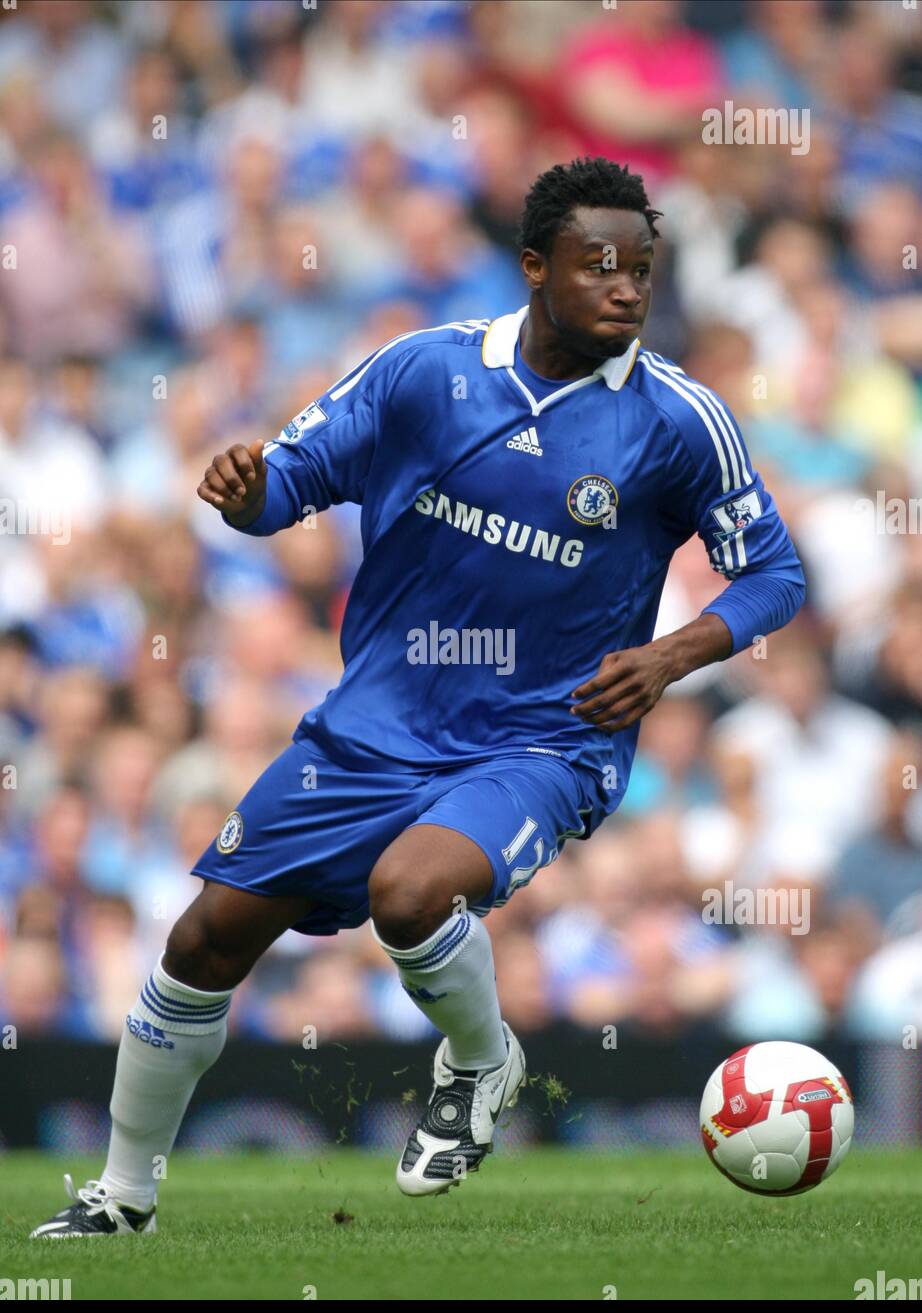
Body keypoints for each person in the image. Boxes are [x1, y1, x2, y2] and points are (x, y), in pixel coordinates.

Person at [31, 157, 805, 1237]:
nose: (627, 289)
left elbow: (776, 573)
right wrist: (250, 496)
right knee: (203, 940)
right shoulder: (420, 374)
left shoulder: (678, 421)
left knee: (410, 891)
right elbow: (290, 483)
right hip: (376, 725)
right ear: (534, 268)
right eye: (599, 267)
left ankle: (482, 1064)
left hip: (544, 737)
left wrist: (672, 655)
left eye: (641, 269)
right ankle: (123, 1196)